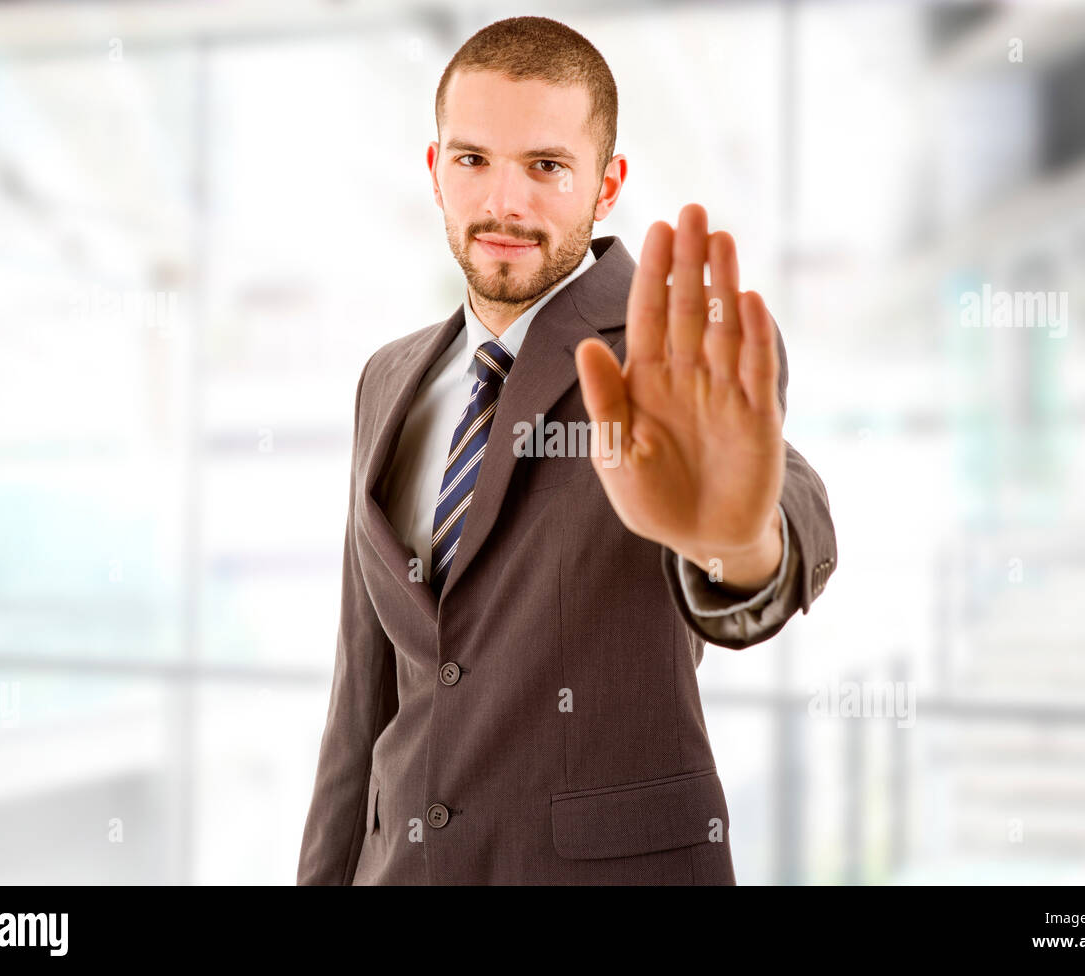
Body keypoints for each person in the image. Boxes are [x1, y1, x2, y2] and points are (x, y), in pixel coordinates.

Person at [298, 14, 836, 885]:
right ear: (436, 172)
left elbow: (785, 506)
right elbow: (357, 705)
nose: (504, 204)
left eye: (546, 167)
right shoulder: (386, 378)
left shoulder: (671, 346)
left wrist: (741, 544)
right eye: (472, 160)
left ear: (606, 183)